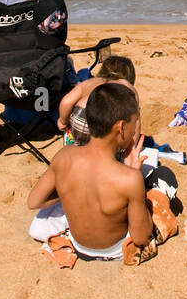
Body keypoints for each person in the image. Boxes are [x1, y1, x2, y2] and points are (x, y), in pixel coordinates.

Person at [27, 83, 178, 265]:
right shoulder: (129, 179)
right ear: (121, 127)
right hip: (115, 249)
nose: (135, 129)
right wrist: (133, 175)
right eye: (135, 121)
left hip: (79, 246)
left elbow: (34, 201)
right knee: (164, 175)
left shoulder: (63, 156)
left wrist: (69, 191)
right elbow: (140, 237)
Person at [56, 55, 136, 144]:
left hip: (81, 119)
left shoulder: (90, 82)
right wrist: (132, 147)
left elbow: (66, 102)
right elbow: (136, 120)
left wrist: (62, 121)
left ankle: (76, 146)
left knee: (79, 139)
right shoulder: (127, 87)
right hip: (105, 122)